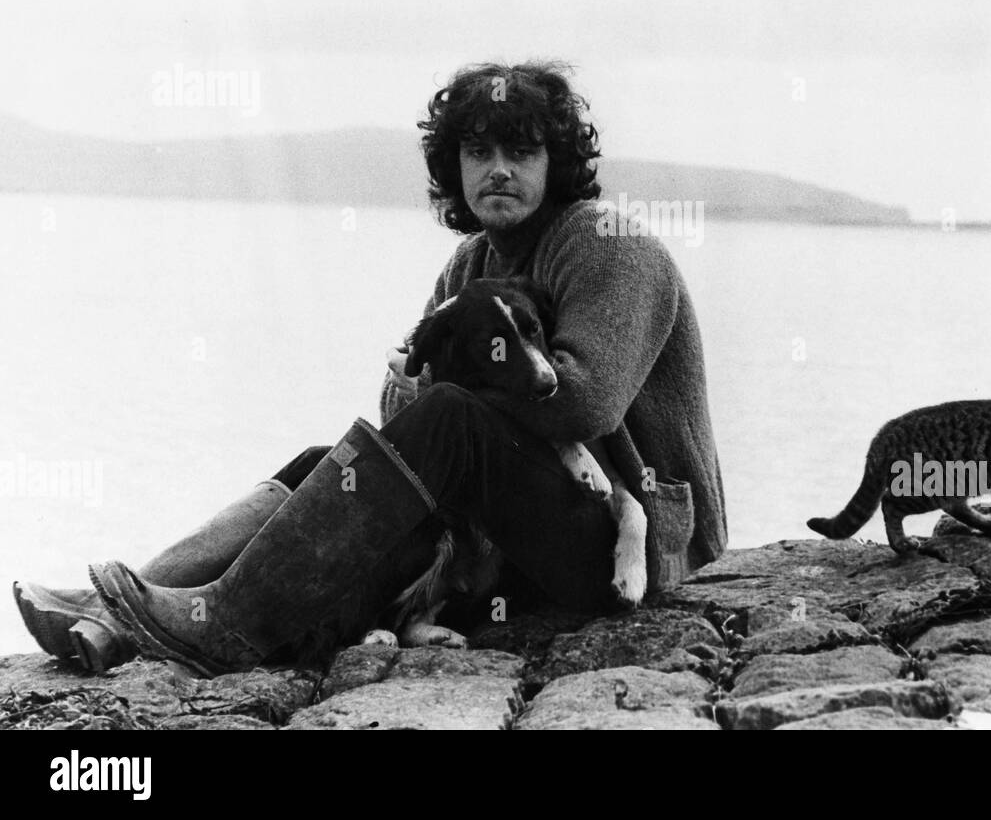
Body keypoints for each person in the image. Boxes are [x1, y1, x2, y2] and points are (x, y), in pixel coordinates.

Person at [14, 61, 728, 676]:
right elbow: (403, 439)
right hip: (520, 538)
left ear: (558, 162)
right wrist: (423, 399)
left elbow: (581, 402)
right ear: (454, 167)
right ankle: (127, 603)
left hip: (637, 549)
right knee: (329, 462)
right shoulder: (472, 264)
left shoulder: (609, 246)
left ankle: (228, 621)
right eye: (478, 151)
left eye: (522, 149)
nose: (499, 168)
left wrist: (435, 390)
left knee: (450, 414)